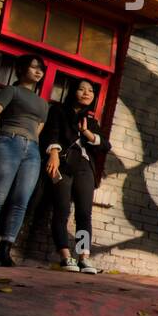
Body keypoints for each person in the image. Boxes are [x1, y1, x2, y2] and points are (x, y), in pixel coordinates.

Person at [0, 54, 50, 267]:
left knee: (21, 201)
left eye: (41, 69)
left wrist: (33, 148)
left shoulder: (43, 104)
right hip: (9, 142)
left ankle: (5, 251)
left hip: (33, 151)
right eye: (33, 67)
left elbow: (38, 130)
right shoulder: (12, 91)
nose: (38, 71)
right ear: (22, 69)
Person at [41, 78, 109, 274]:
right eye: (81, 89)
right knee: (61, 210)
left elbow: (105, 145)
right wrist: (53, 154)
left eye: (90, 90)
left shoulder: (92, 121)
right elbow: (51, 133)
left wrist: (86, 132)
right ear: (73, 92)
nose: (86, 93)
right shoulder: (58, 111)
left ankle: (83, 257)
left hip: (84, 168)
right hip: (62, 165)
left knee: (84, 214)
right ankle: (65, 256)